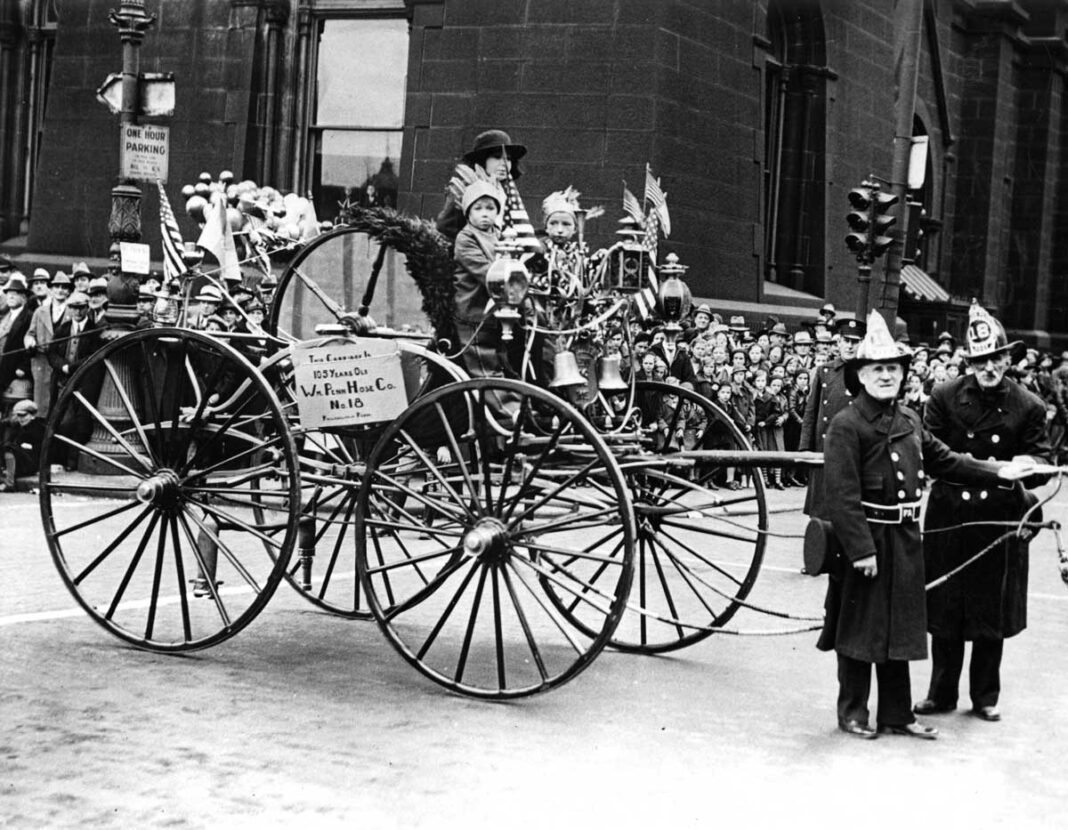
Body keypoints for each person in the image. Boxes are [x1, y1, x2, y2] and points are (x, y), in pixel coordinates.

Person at [818, 311, 1031, 740]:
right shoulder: (847, 425)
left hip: (905, 541)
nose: (885, 376)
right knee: (860, 628)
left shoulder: (909, 421)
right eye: (877, 369)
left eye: (892, 369)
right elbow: (840, 498)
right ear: (860, 375)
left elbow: (948, 461)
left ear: (902, 374)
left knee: (899, 628)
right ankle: (854, 712)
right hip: (869, 541)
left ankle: (897, 714)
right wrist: (861, 551)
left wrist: (1000, 472)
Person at [914, 302, 1051, 723]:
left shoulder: (1028, 405)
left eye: (996, 358)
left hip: (999, 518)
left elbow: (1041, 460)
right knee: (946, 607)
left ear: (1008, 359)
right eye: (980, 360)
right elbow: (930, 454)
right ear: (968, 362)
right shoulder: (943, 396)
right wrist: (985, 468)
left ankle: (985, 696)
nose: (988, 367)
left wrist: (1028, 467)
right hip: (951, 514)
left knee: (990, 611)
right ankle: (941, 693)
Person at [436, 129, 525, 244]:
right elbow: (446, 228)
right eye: (497, 157)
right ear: (482, 160)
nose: (504, 164)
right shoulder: (466, 188)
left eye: (508, 159)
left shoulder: (506, 190)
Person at [1, 399, 45, 491]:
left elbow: (42, 450)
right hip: (18, 461)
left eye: (24, 415)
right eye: (18, 415)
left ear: (32, 416)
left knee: (8, 447)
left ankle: (9, 483)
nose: (21, 418)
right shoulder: (16, 427)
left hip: (31, 463)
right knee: (6, 446)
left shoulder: (39, 429)